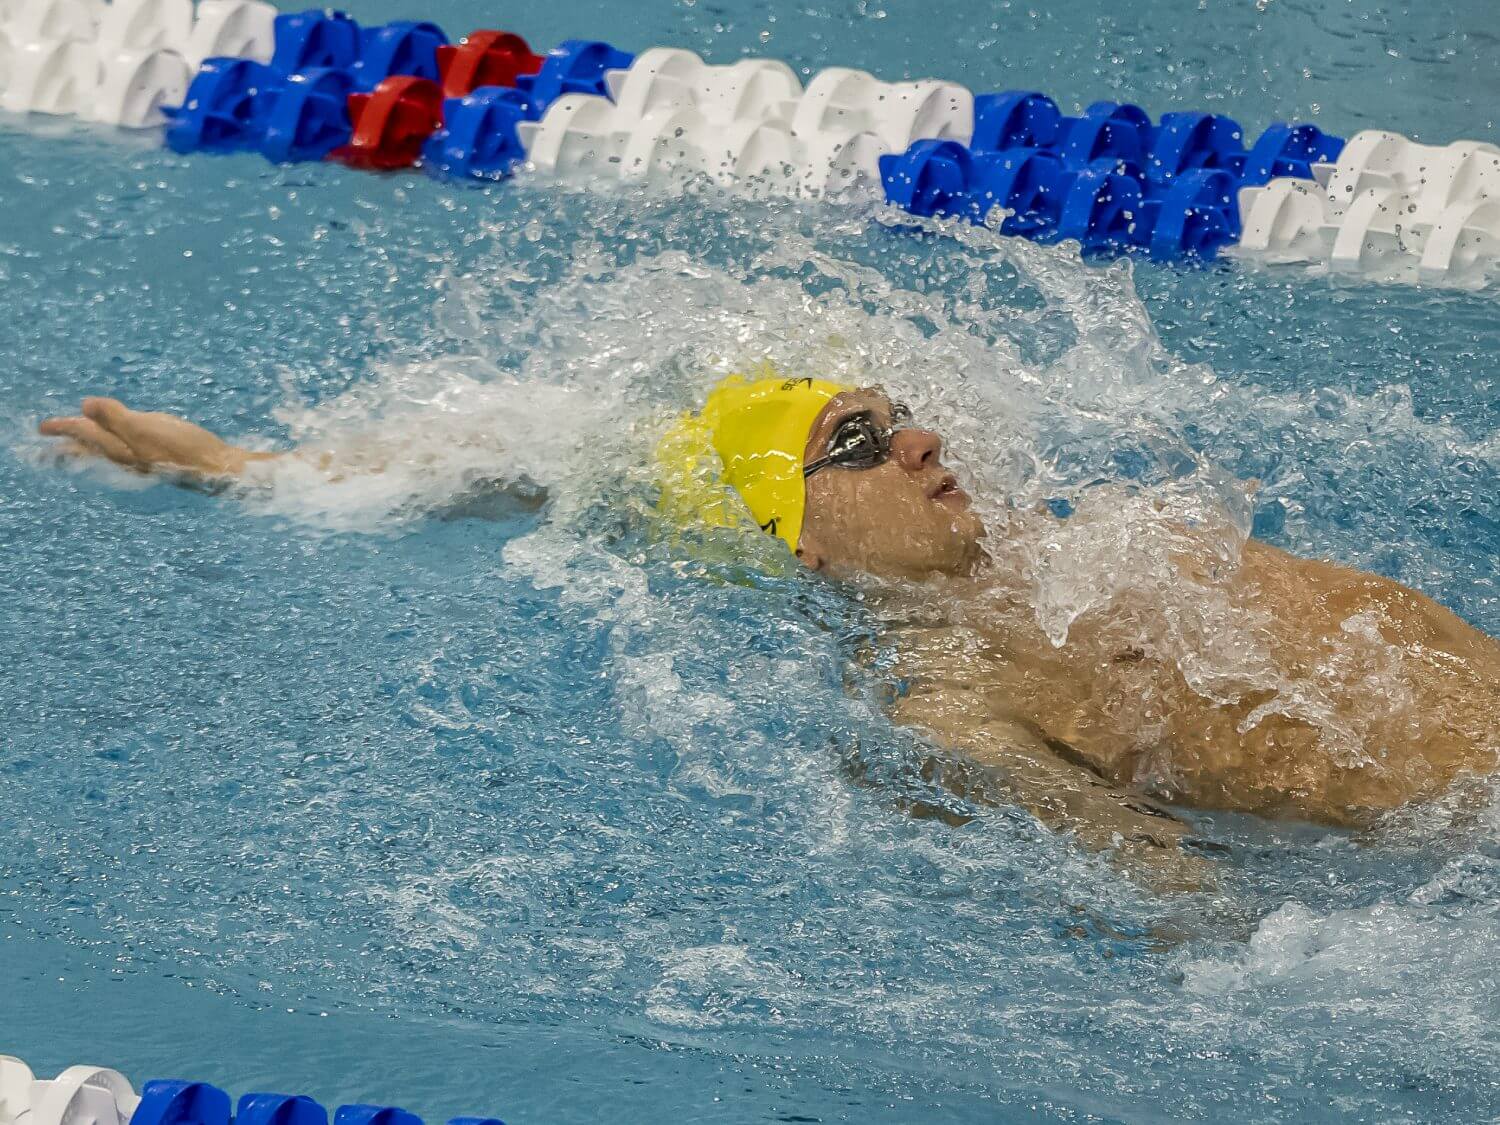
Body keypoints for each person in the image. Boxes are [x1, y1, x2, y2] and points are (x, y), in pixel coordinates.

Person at [39, 376, 1500, 891]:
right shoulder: (951, 698)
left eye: (897, 404)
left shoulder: (1083, 529)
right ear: (800, 536)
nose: (920, 434)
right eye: (859, 439)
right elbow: (1177, 891)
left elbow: (545, 452)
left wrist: (257, 466)